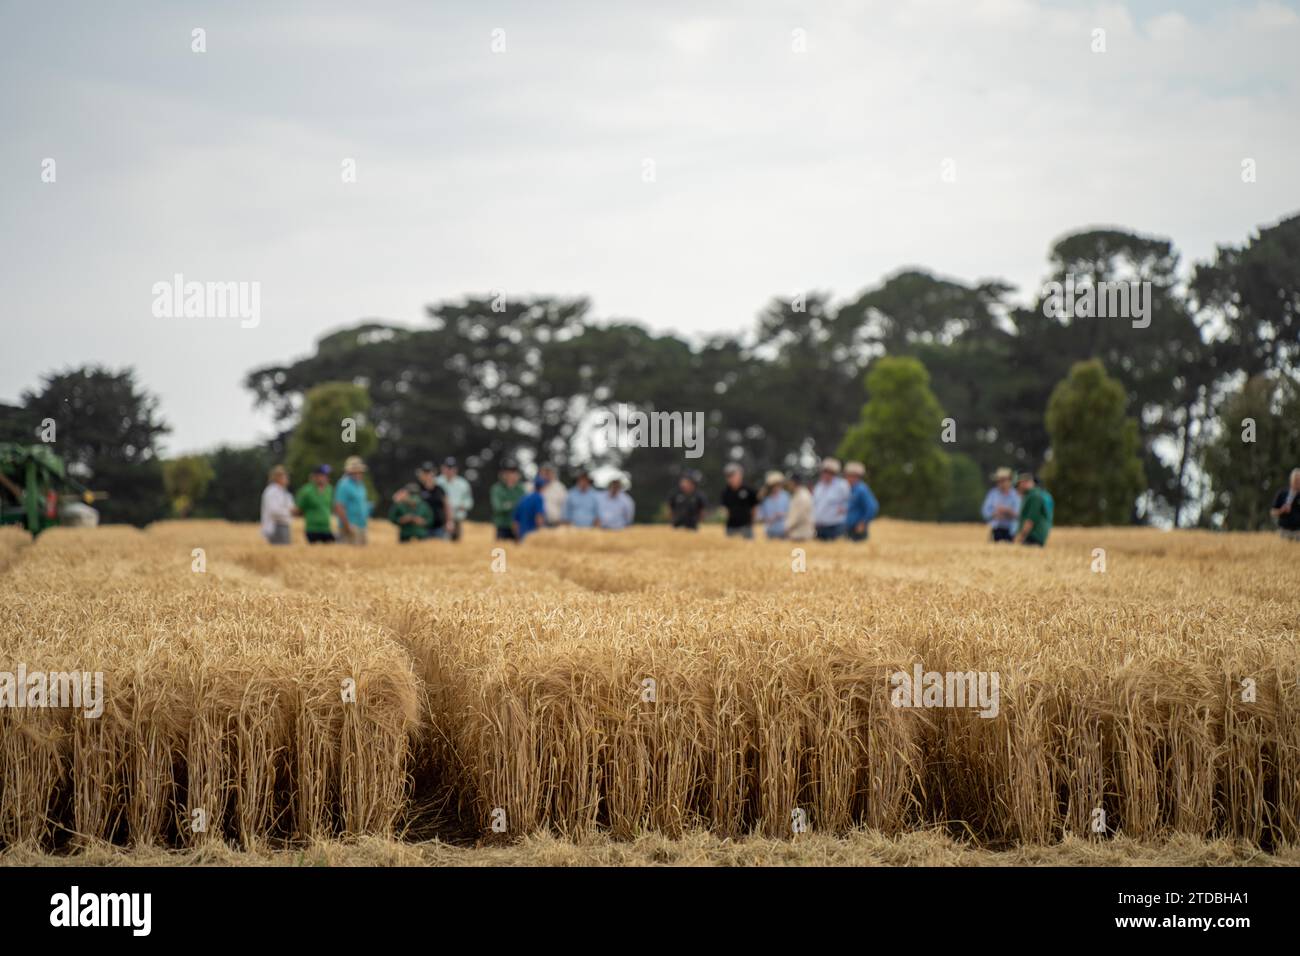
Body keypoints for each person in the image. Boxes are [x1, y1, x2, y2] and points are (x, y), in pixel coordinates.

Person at [333, 456, 373, 545]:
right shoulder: (343, 485)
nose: (358, 473)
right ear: (349, 472)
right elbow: (339, 507)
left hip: (362, 526)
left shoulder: (361, 484)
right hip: (350, 526)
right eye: (355, 471)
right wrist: (347, 526)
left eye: (359, 471)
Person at [812, 457, 850, 541]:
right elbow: (814, 505)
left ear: (834, 473)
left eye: (829, 472)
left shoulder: (842, 485)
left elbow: (849, 501)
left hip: (836, 526)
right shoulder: (819, 487)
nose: (826, 474)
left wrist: (844, 508)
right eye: (824, 471)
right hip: (820, 527)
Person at [296, 464, 335, 544]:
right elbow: (298, 510)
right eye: (323, 475)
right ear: (315, 476)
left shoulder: (329, 489)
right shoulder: (306, 491)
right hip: (312, 529)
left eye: (326, 475)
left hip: (326, 528)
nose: (326, 477)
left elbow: (331, 506)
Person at [437, 457, 473, 542]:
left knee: (457, 545)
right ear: (442, 468)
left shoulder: (463, 484)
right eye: (448, 467)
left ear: (456, 469)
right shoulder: (437, 482)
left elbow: (469, 502)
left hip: (457, 519)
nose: (450, 470)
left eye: (452, 467)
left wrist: (462, 505)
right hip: (441, 519)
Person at [415, 461, 453, 540]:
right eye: (425, 472)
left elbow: (447, 506)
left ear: (434, 473)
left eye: (430, 472)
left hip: (439, 527)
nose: (428, 475)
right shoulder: (416, 488)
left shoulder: (440, 489)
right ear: (421, 474)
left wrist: (449, 522)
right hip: (422, 528)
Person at [981, 467, 1020, 543]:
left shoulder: (1015, 495)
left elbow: (1019, 514)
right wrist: (994, 514)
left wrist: (1007, 511)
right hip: (996, 529)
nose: (1001, 483)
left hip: (1011, 530)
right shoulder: (992, 494)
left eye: (1003, 480)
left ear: (1010, 481)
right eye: (999, 481)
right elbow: (985, 512)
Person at [843, 461, 879, 542]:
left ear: (858, 477)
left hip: (857, 528)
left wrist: (863, 522)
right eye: (848, 475)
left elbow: (872, 507)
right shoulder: (849, 489)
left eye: (852, 476)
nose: (849, 478)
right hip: (849, 527)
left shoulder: (861, 489)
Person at [1014, 471, 1052, 547]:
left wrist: (1019, 538)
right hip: (1034, 535)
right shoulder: (1037, 494)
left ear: (1024, 483)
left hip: (1033, 536)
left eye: (1018, 485)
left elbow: (1030, 520)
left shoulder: (1034, 496)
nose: (1017, 489)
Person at [490, 460, 525, 541]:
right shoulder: (497, 489)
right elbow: (498, 507)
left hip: (518, 526)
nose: (510, 475)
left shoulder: (521, 489)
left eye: (513, 472)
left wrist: (508, 505)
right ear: (502, 474)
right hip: (503, 526)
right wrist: (515, 505)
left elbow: (524, 507)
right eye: (507, 472)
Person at [719, 463, 756, 539]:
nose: (731, 479)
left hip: (746, 527)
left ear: (740, 475)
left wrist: (751, 523)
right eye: (728, 476)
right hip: (731, 527)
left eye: (733, 475)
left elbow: (754, 508)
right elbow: (724, 509)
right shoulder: (725, 492)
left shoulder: (749, 490)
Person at [260, 464, 294, 545]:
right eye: (285, 477)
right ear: (278, 477)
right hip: (276, 526)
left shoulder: (284, 492)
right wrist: (290, 511)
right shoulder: (271, 491)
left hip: (284, 525)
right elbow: (274, 511)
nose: (287, 479)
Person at [757, 471, 790, 539]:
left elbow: (791, 512)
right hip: (770, 530)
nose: (777, 487)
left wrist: (782, 514)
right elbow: (760, 515)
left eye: (778, 484)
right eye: (775, 485)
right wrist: (768, 519)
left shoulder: (786, 496)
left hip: (783, 530)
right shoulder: (765, 498)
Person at [514, 476, 549, 541]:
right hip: (533, 536)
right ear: (543, 487)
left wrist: (517, 536)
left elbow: (515, 521)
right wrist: (542, 533)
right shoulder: (539, 498)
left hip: (522, 534)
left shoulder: (523, 498)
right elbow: (539, 517)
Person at [1270, 468, 1300, 541]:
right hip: (1284, 531)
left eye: (1299, 480)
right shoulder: (1282, 494)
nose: (1297, 482)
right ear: (1290, 480)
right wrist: (1281, 510)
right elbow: (1272, 512)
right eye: (1295, 480)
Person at [784, 474, 815, 542]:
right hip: (798, 533)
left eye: (789, 483)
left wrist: (788, 527)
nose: (788, 486)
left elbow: (799, 516)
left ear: (793, 483)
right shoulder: (798, 495)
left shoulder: (802, 496)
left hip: (801, 535)